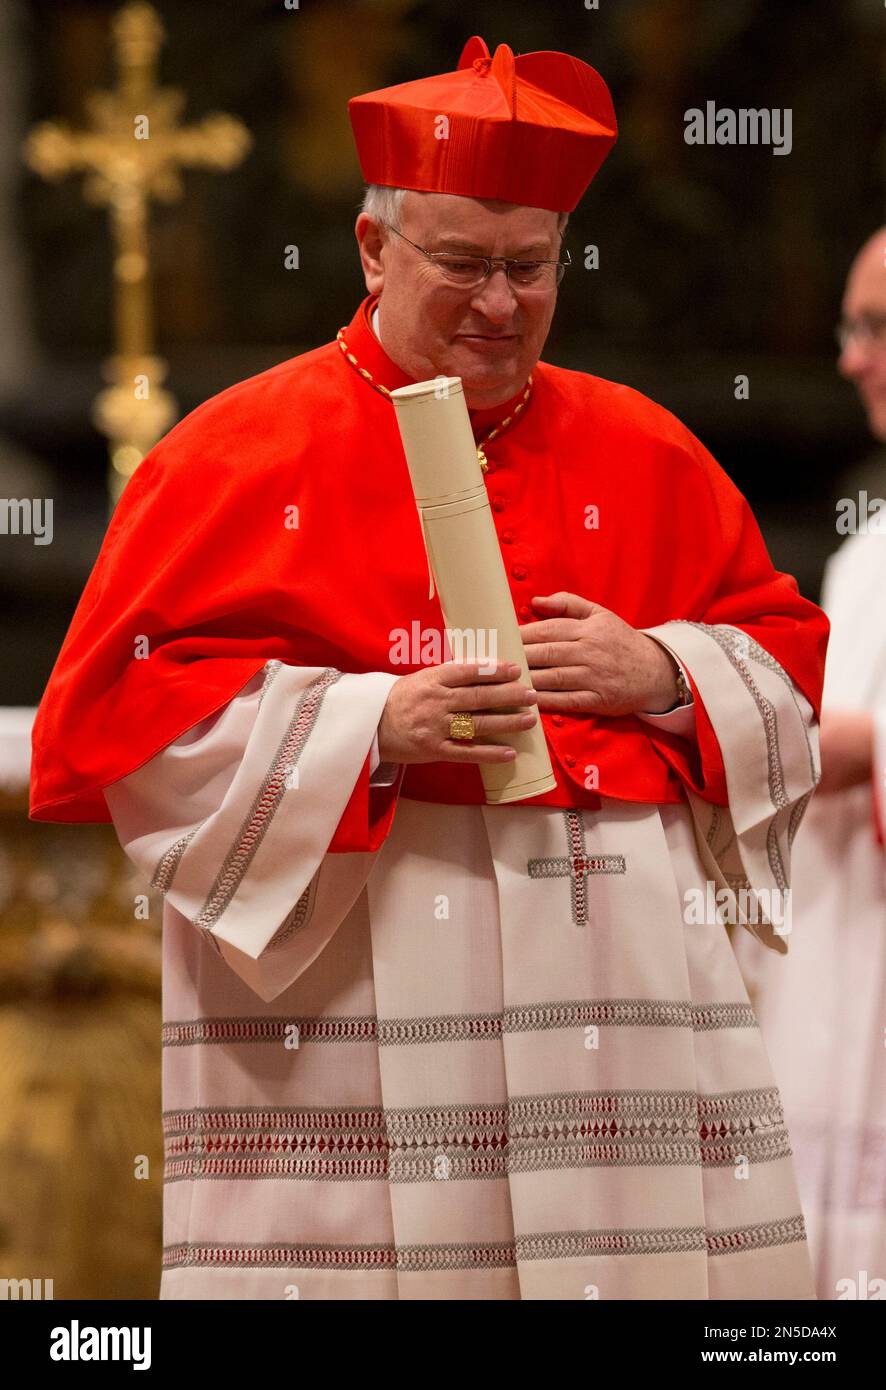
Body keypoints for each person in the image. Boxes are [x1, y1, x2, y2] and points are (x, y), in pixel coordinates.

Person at [29, 35, 828, 1300]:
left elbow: (784, 669)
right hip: (353, 986)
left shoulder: (649, 448)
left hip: (611, 1000)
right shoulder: (234, 455)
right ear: (369, 248)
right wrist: (364, 724)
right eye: (460, 264)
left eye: (531, 268)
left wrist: (662, 672)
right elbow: (117, 716)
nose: (500, 303)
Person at [735, 228, 886, 1299]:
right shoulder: (867, 548)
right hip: (836, 954)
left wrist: (727, 724)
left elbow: (848, 740)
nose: (848, 358)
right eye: (849, 326)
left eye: (876, 327)